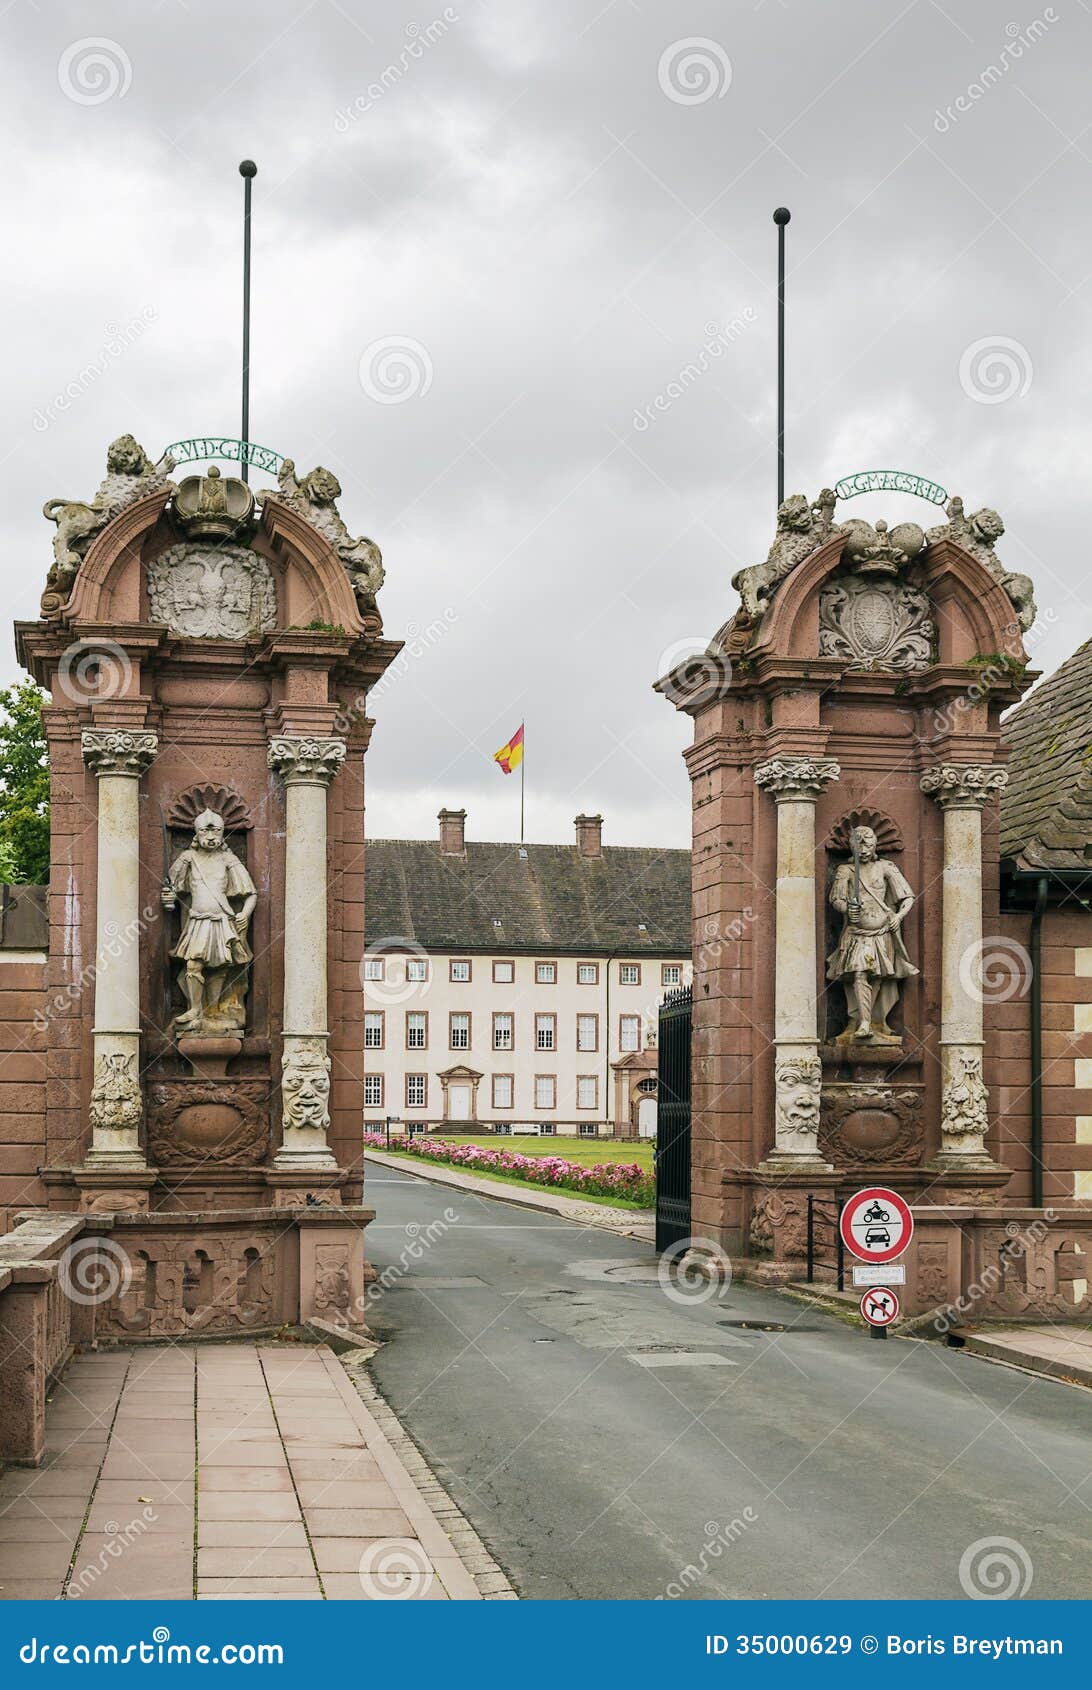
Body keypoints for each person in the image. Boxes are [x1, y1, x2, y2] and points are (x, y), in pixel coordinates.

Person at [162, 809, 256, 1034]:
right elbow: (172, 887)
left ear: (223, 833)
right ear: (197, 832)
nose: (212, 837)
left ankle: (212, 1010)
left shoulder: (228, 860)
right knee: (193, 964)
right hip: (198, 920)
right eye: (206, 831)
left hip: (222, 920)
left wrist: (244, 913)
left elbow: (251, 893)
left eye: (217, 831)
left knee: (220, 967)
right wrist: (168, 897)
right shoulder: (188, 858)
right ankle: (195, 1009)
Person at [827, 825, 917, 1042]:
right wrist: (848, 908)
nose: (864, 848)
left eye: (868, 843)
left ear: (875, 844)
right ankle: (864, 1022)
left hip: (882, 932)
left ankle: (873, 1019)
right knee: (859, 972)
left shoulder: (886, 867)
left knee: (877, 976)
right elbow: (836, 899)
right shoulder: (845, 871)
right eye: (859, 844)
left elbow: (907, 897)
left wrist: (898, 917)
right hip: (857, 934)